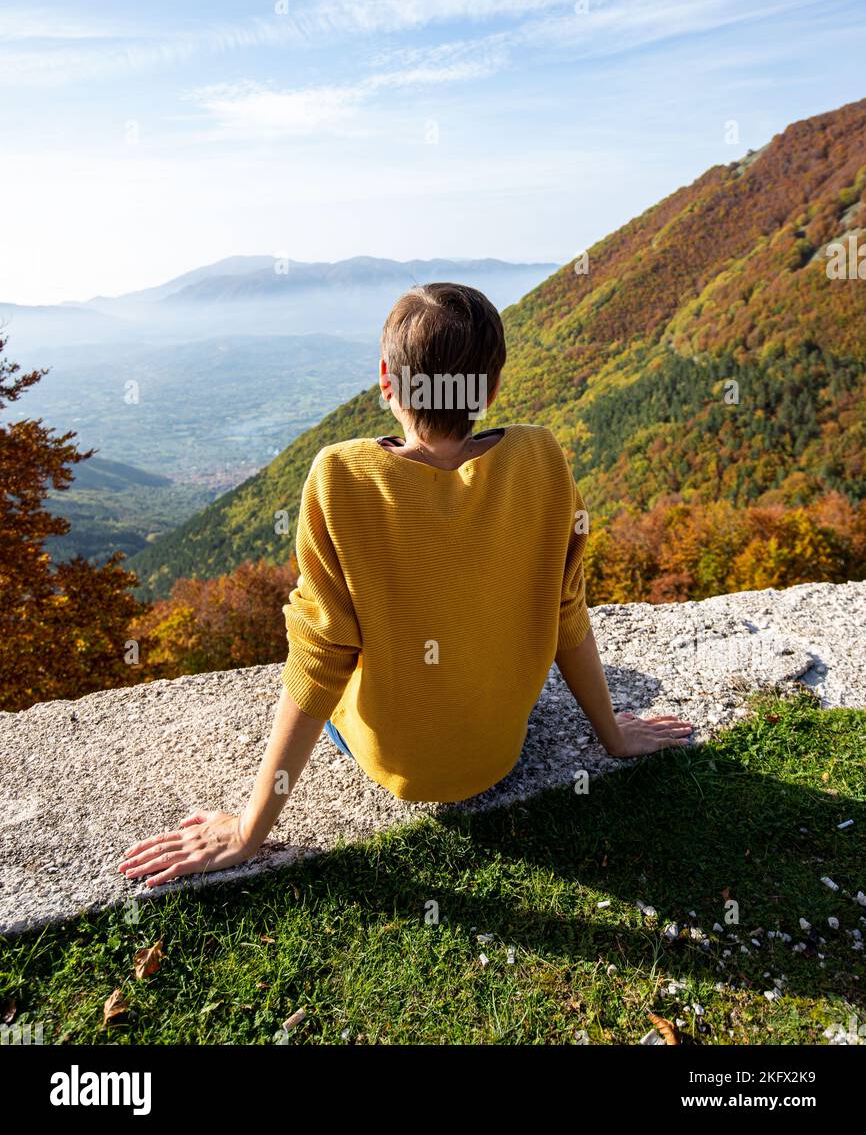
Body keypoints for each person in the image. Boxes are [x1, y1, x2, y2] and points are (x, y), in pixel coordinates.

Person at [120, 283, 691, 888]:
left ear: (388, 385)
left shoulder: (340, 476)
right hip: (500, 753)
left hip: (396, 766)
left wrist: (248, 831)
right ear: (491, 390)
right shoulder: (543, 459)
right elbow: (566, 610)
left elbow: (320, 659)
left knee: (323, 654)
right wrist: (613, 735)